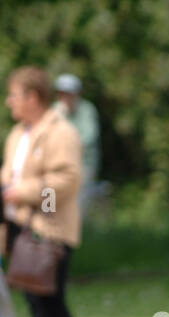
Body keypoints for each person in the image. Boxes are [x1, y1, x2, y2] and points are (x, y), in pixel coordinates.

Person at [2, 66, 81, 317]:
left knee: (51, 299)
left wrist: (24, 192)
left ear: (33, 97)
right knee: (34, 299)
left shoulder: (59, 132)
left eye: (14, 95)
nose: (9, 102)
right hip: (21, 230)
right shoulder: (17, 135)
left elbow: (66, 181)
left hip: (50, 230)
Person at [53, 74, 99, 219]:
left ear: (76, 94)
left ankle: (73, 234)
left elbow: (88, 138)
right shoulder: (54, 111)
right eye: (61, 93)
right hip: (56, 165)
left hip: (82, 165)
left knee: (75, 208)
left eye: (68, 93)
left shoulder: (87, 110)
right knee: (48, 198)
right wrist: (57, 118)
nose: (65, 97)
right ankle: (45, 231)